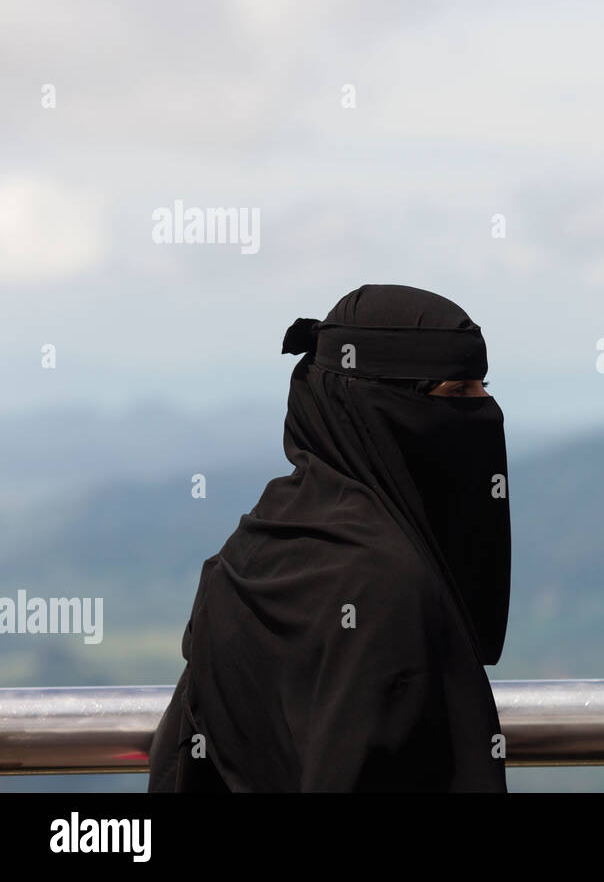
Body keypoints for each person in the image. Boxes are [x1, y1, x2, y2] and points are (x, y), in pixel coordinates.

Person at [149, 284, 511, 792]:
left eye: (482, 386)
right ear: (380, 410)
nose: (487, 407)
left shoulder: (245, 554)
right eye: (457, 393)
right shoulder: (387, 589)